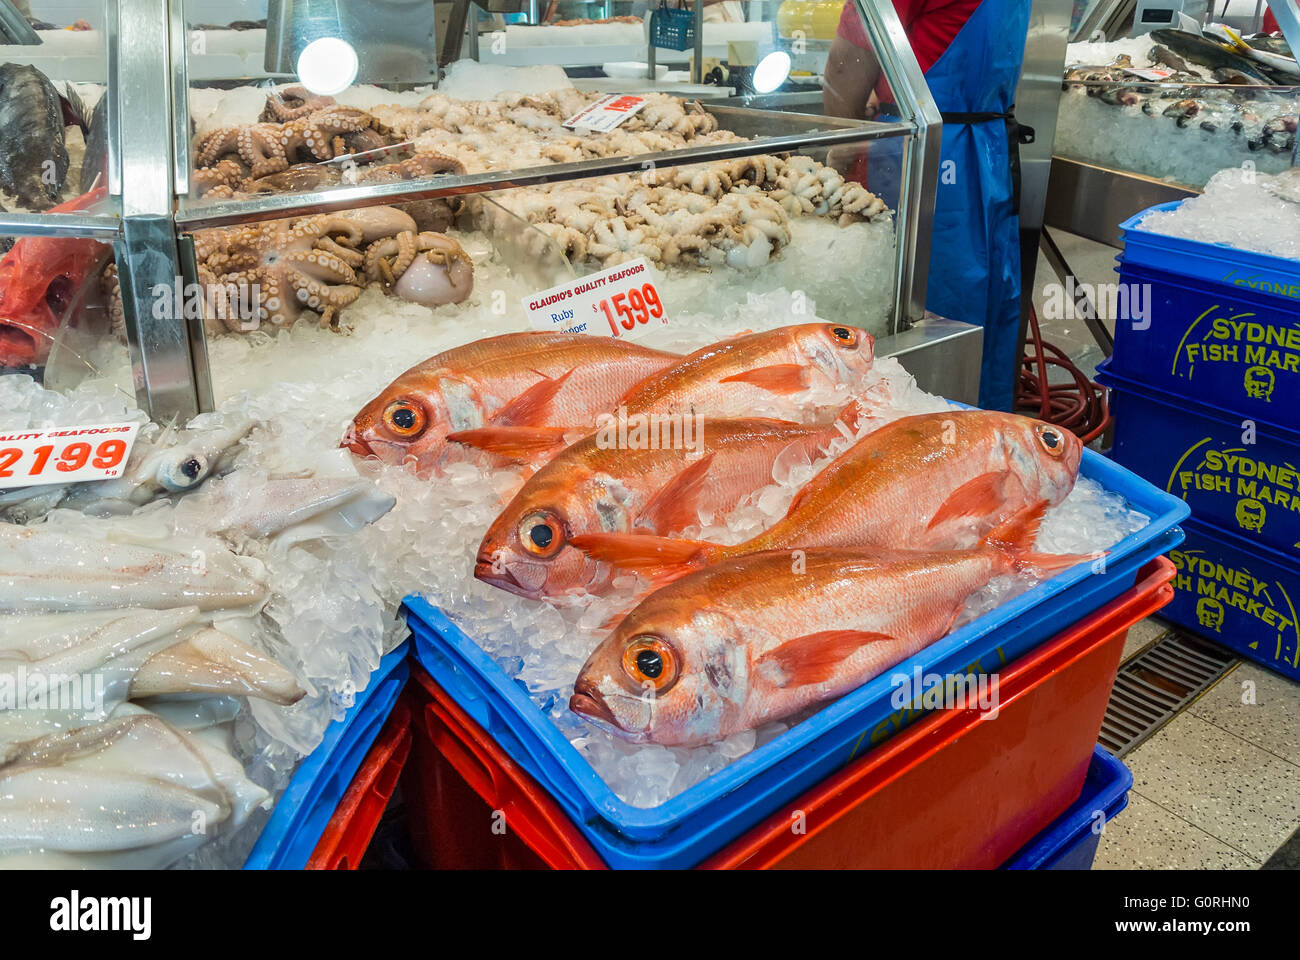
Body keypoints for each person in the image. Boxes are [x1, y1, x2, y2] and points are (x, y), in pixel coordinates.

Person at [824, 0, 1031, 412]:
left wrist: (841, 146)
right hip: (985, 150)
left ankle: (913, 448)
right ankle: (983, 441)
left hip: (921, 152)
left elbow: (848, 62)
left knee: (917, 319)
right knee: (980, 312)